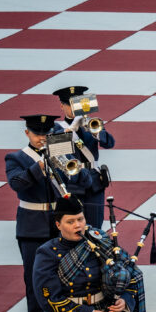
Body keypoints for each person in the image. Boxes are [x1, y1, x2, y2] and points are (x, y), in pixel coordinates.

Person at [10, 113, 91, 312]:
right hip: (32, 228)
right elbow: (17, 184)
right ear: (27, 133)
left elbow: (84, 181)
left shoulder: (60, 149)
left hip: (61, 226)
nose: (42, 139)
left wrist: (67, 162)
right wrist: (40, 167)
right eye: (37, 134)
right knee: (35, 282)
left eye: (46, 134)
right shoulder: (16, 158)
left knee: (68, 278)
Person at [51, 85, 114, 229]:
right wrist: (70, 130)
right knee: (74, 226)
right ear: (62, 105)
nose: (74, 108)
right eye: (70, 104)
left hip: (94, 181)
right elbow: (56, 152)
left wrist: (95, 131)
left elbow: (110, 143)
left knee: (95, 225)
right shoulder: (56, 128)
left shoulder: (92, 123)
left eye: (77, 104)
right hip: (72, 181)